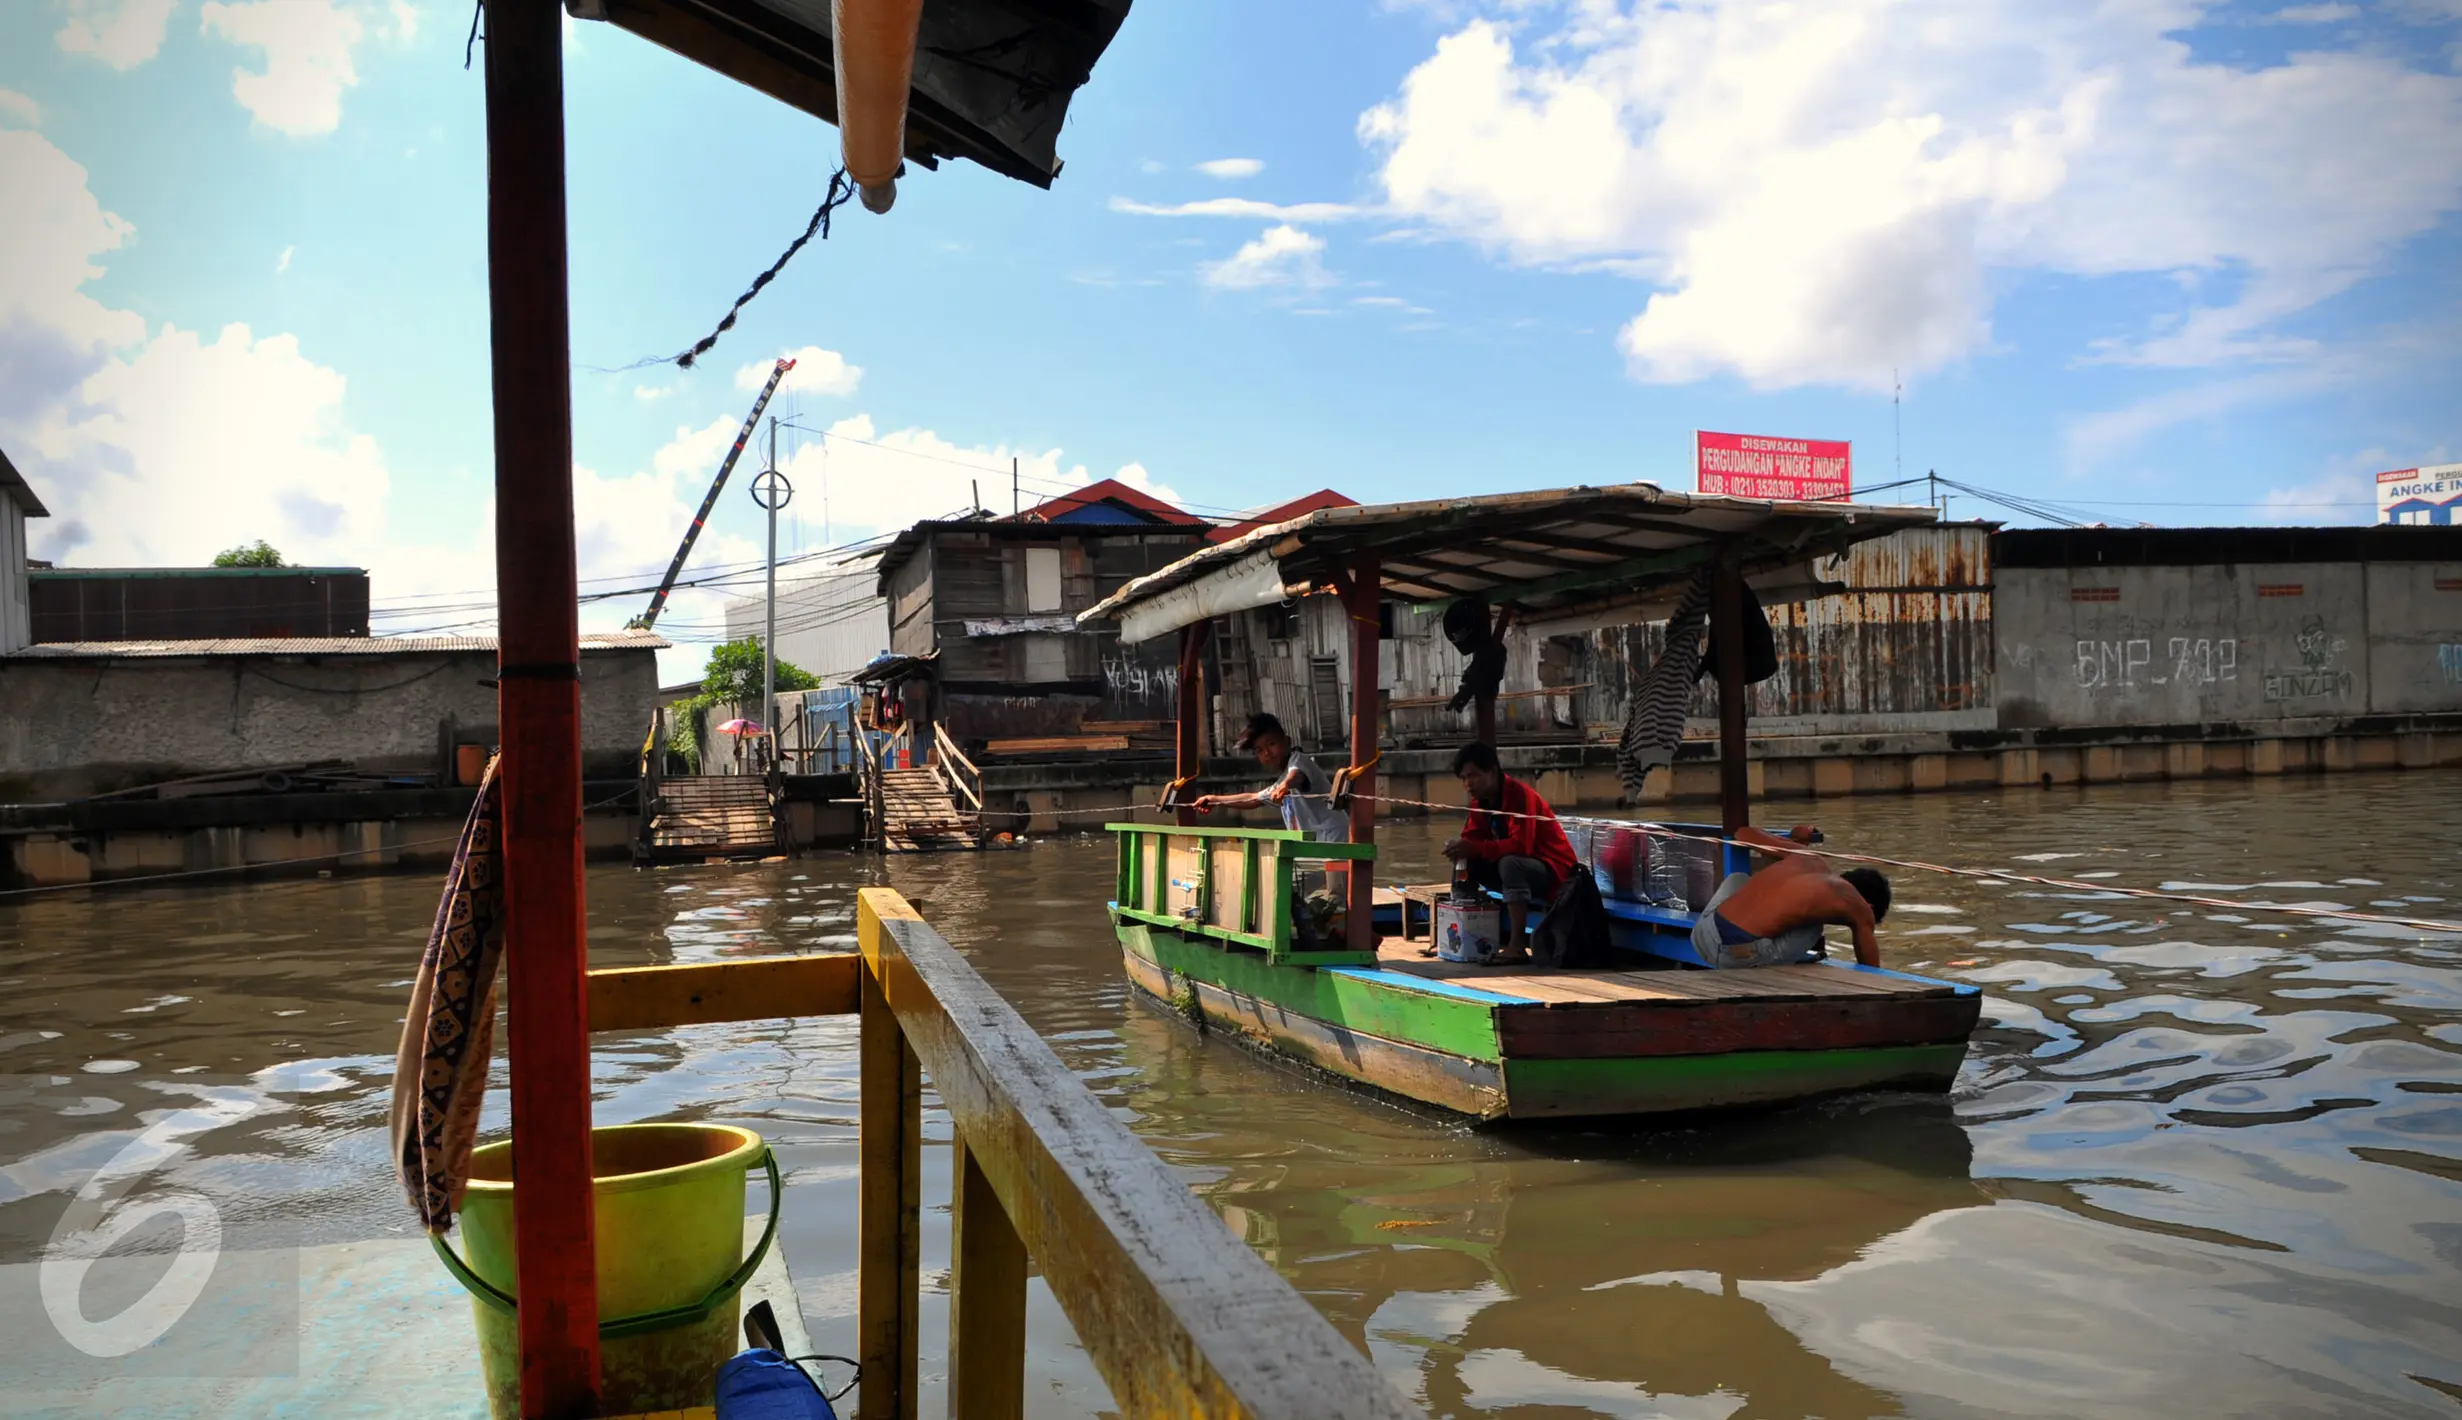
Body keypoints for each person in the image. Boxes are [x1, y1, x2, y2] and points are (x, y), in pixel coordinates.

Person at [1442, 742, 1579, 960]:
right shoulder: (1481, 804)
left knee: (1510, 863)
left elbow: (1522, 846)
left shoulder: (1520, 795)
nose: (1468, 784)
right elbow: (1473, 837)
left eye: (1473, 776)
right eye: (1464, 778)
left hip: (1555, 873)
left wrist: (1475, 847)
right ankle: (1466, 934)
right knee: (1465, 859)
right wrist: (1460, 848)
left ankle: (1517, 947)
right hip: (1522, 870)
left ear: (1492, 771)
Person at [1690, 824, 1891, 969]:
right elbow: (1870, 970)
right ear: (1870, 906)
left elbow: (1743, 832)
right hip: (1732, 956)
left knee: (1739, 878)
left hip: (1701, 933)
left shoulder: (1809, 858)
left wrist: (1792, 841)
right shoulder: (1857, 904)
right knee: (1813, 926)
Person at [1190, 713, 1349, 842]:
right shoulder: (1281, 780)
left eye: (1271, 744)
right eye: (1259, 750)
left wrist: (1285, 786)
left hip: (1333, 839)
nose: (1267, 753)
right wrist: (1214, 799)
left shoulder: (1300, 760)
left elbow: (1296, 776)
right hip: (1314, 846)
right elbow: (1254, 799)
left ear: (1287, 741)